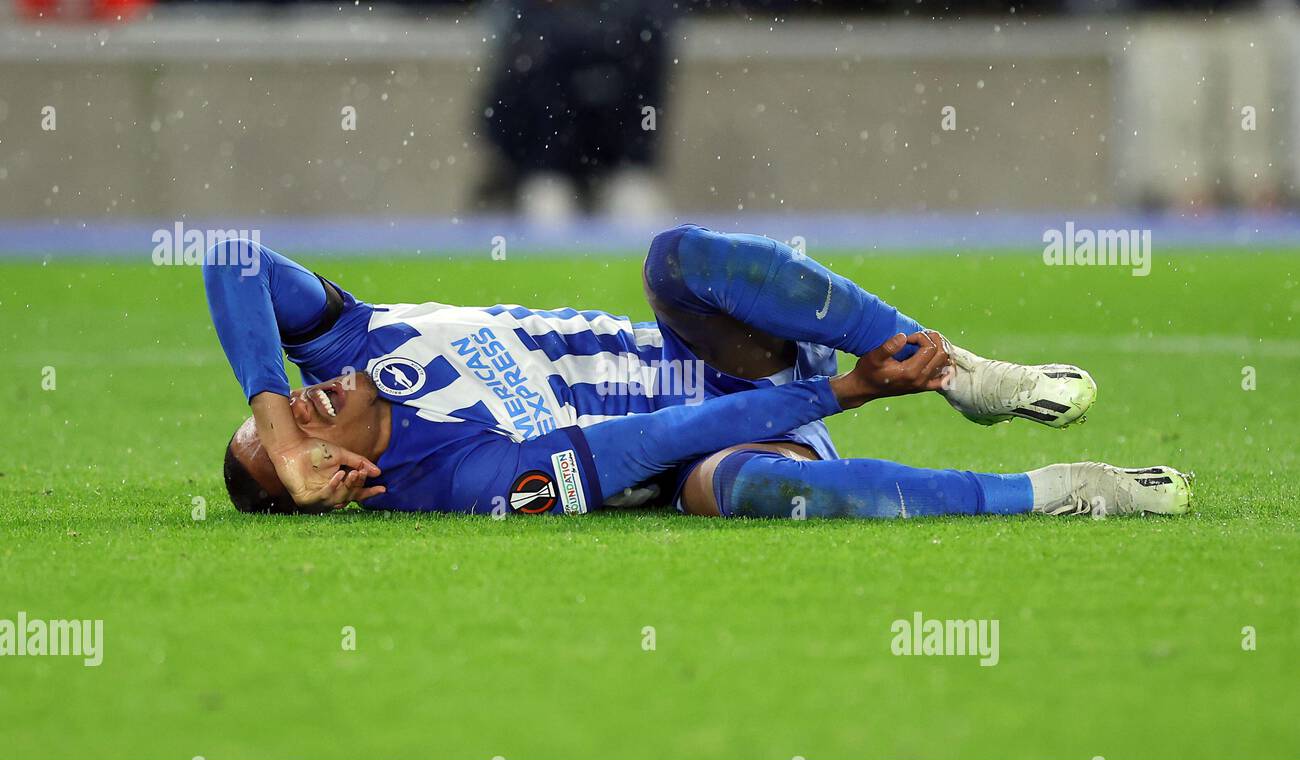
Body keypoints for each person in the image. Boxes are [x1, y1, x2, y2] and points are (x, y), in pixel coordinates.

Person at [206, 225, 1192, 519]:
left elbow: (231, 255)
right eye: (294, 442)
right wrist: (837, 394)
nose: (297, 408)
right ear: (336, 482)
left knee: (674, 259)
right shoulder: (465, 482)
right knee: (727, 490)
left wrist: (271, 414)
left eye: (285, 415)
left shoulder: (344, 349)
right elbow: (653, 442)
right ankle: (1059, 491)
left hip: (716, 345)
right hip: (736, 431)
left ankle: (960, 371)